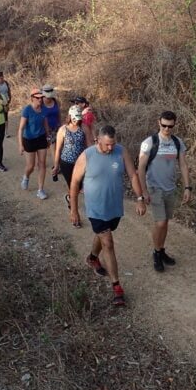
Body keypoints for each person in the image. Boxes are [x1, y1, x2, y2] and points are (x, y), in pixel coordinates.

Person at [70, 124, 147, 306]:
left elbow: (133, 176)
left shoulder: (121, 152)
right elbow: (74, 183)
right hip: (95, 208)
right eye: (106, 145)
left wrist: (140, 198)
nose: (110, 148)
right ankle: (117, 288)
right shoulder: (87, 156)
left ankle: (92, 258)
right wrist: (73, 210)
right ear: (98, 140)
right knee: (108, 243)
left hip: (114, 208)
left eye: (112, 144)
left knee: (104, 234)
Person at [137, 111, 191, 272]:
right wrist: (143, 192)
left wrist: (187, 187)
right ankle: (156, 252)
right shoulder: (150, 142)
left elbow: (183, 165)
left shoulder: (177, 142)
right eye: (164, 125)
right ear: (158, 123)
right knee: (160, 223)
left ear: (174, 125)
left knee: (165, 222)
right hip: (155, 188)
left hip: (170, 188)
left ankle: (161, 250)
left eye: (170, 126)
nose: (167, 129)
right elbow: (140, 168)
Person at [52, 105, 90, 218]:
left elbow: (89, 146)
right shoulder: (63, 129)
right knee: (73, 186)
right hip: (66, 162)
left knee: (80, 186)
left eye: (78, 118)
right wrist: (56, 165)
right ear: (70, 116)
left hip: (81, 162)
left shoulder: (84, 128)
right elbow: (58, 149)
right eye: (74, 118)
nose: (76, 120)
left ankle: (70, 198)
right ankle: (74, 213)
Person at [18, 88, 50, 199]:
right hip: (29, 139)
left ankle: (40, 190)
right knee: (30, 166)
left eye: (41, 97)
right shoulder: (27, 110)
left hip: (41, 138)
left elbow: (46, 125)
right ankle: (26, 177)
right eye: (37, 98)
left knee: (42, 164)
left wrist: (48, 137)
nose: (40, 100)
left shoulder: (44, 109)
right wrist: (21, 145)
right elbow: (21, 129)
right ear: (32, 98)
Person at [0, 71, 12, 136]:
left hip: (6, 102)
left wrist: (9, 99)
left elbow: (9, 91)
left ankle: (6, 132)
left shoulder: (6, 83)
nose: (1, 79)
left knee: (5, 117)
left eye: (2, 78)